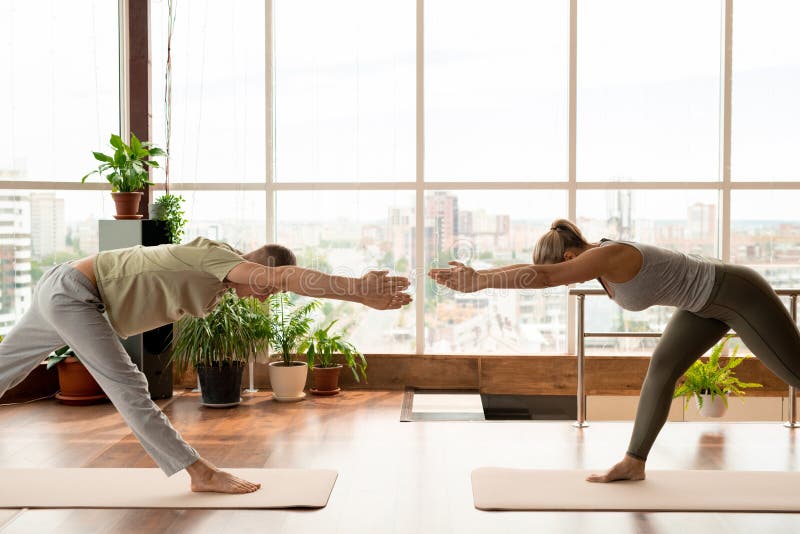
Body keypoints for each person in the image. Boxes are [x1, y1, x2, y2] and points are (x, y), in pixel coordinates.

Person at [0, 236, 412, 494]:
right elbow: (287, 276)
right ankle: (199, 472)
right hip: (76, 294)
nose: (265, 297)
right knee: (130, 386)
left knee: (6, 369)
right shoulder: (213, 256)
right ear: (258, 268)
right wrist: (358, 291)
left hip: (66, 289)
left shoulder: (217, 286)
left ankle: (198, 471)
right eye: (266, 286)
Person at [429, 219, 800, 483]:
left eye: (564, 270)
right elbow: (537, 271)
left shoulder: (608, 255)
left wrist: (479, 283)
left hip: (737, 294)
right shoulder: (591, 263)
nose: (563, 278)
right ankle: (633, 462)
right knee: (663, 367)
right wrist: (478, 275)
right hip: (701, 305)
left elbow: (541, 277)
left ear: (571, 255)